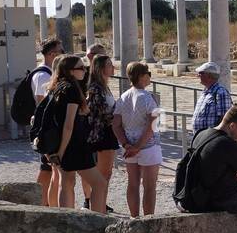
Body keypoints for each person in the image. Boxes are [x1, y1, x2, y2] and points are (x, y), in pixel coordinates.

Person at [42, 54, 107, 211]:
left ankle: (65, 219)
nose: (84, 70)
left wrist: (56, 151)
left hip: (59, 143)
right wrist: (61, 153)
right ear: (70, 71)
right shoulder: (71, 89)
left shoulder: (55, 87)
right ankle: (98, 221)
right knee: (99, 183)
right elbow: (68, 124)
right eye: (80, 68)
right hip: (73, 144)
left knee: (67, 182)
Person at [181, 104, 237, 215]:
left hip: (198, 196)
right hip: (221, 199)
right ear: (232, 126)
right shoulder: (228, 145)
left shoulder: (201, 134)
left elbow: (234, 174)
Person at [112, 62, 163, 216]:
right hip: (148, 146)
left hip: (129, 146)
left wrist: (126, 144)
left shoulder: (123, 97)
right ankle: (148, 219)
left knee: (132, 184)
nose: (150, 77)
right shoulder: (147, 97)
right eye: (148, 73)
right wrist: (139, 146)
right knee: (149, 187)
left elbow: (116, 125)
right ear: (142, 76)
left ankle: (134, 217)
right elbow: (153, 123)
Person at [84, 55, 120, 211]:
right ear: (100, 68)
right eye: (109, 64)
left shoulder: (105, 86)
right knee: (102, 175)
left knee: (107, 174)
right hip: (102, 134)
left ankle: (101, 207)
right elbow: (101, 114)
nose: (113, 67)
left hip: (108, 133)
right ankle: (98, 209)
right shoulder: (96, 89)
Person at [32, 39, 63, 205]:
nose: (63, 53)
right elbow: (41, 103)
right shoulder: (43, 75)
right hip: (47, 129)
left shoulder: (47, 73)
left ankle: (41, 201)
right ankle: (43, 202)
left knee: (47, 170)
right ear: (52, 54)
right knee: (49, 169)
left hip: (47, 128)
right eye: (61, 50)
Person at [192, 62, 233, 133]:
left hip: (211, 137)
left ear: (209, 76)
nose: (198, 75)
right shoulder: (205, 92)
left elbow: (225, 118)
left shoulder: (221, 92)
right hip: (201, 137)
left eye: (201, 73)